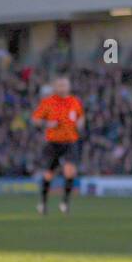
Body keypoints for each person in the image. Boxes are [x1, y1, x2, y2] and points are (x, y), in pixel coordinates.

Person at [31, 74, 84, 215]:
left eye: (65, 85)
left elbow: (80, 117)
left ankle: (65, 203)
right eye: (60, 85)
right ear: (55, 87)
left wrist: (80, 123)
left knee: (70, 171)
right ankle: (43, 203)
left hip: (70, 142)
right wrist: (47, 123)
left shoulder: (74, 102)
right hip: (53, 143)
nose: (62, 88)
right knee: (49, 174)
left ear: (69, 87)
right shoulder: (48, 102)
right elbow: (35, 119)